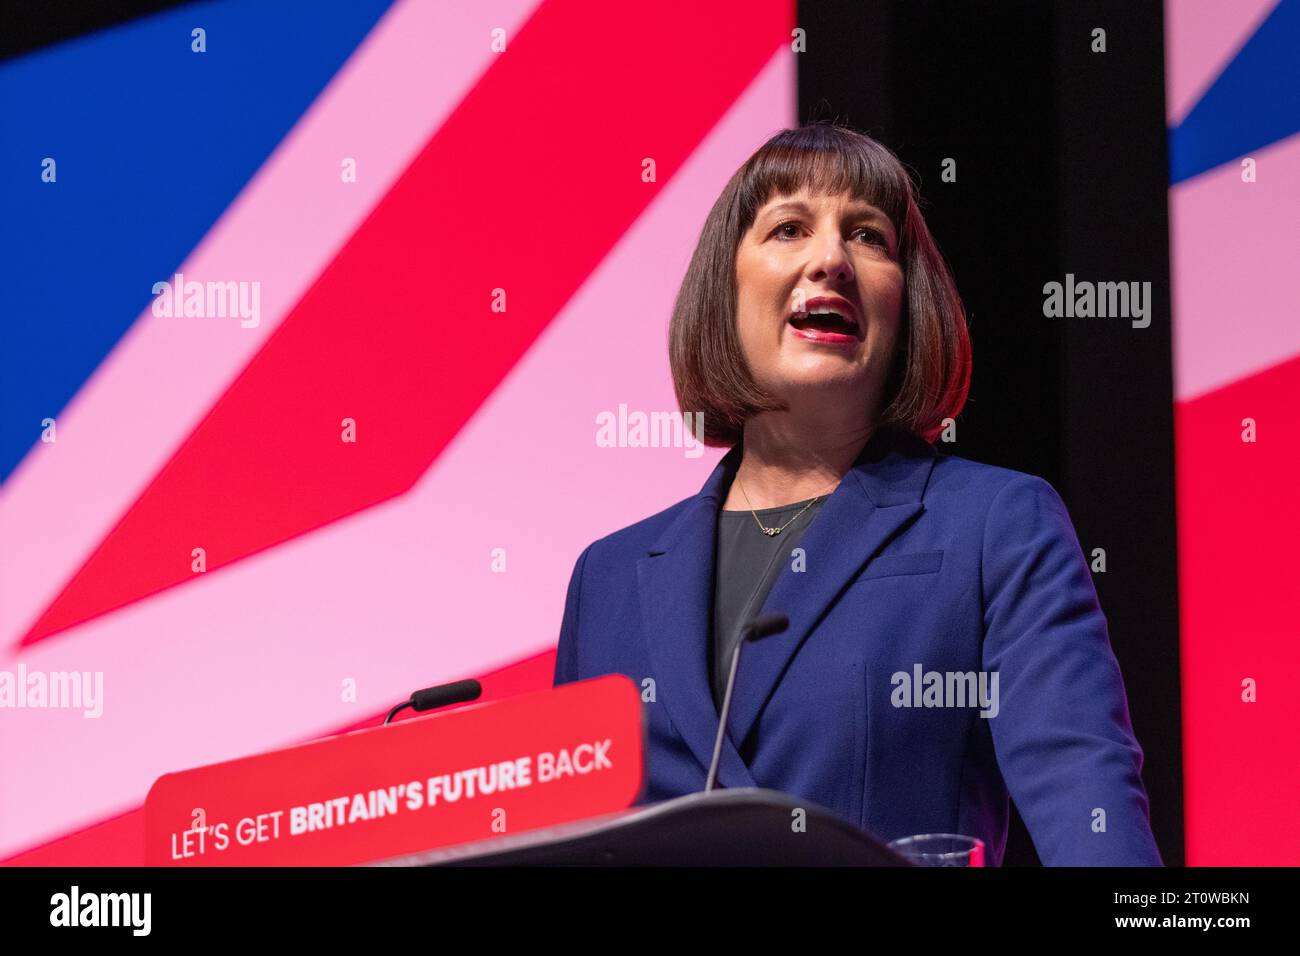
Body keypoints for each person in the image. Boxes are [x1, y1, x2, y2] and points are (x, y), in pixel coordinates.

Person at [553, 123, 1161, 866]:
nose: (831, 260)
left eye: (869, 237)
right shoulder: (607, 579)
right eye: (788, 228)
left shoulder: (994, 527)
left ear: (908, 303)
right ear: (724, 287)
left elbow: (1088, 810)